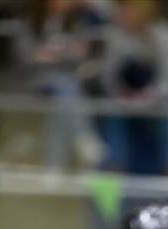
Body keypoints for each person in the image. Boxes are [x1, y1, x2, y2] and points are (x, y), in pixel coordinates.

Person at [15, 0, 105, 168]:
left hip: (66, 82)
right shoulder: (30, 24)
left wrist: (70, 53)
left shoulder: (77, 25)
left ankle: (54, 167)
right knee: (65, 86)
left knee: (60, 106)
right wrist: (44, 54)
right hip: (38, 79)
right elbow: (24, 58)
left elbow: (80, 59)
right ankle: (84, 136)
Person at [100, 0, 168, 175]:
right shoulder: (116, 36)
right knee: (112, 108)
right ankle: (115, 166)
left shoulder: (166, 36)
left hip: (157, 99)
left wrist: (149, 96)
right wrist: (122, 94)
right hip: (126, 99)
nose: (124, 14)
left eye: (128, 10)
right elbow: (109, 78)